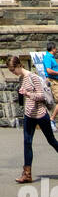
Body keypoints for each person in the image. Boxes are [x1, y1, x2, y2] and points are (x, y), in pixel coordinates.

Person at [9, 54, 58, 182]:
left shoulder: (33, 77)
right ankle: (27, 174)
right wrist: (22, 95)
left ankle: (27, 174)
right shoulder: (21, 79)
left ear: (18, 65)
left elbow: (41, 96)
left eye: (13, 70)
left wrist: (28, 93)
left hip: (40, 114)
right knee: (27, 142)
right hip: (29, 115)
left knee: (51, 140)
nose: (13, 73)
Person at [42, 43, 58, 123]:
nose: (57, 50)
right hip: (52, 81)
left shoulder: (51, 57)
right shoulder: (48, 57)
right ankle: (52, 119)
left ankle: (52, 119)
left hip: (55, 80)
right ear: (53, 49)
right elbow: (48, 70)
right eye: (56, 48)